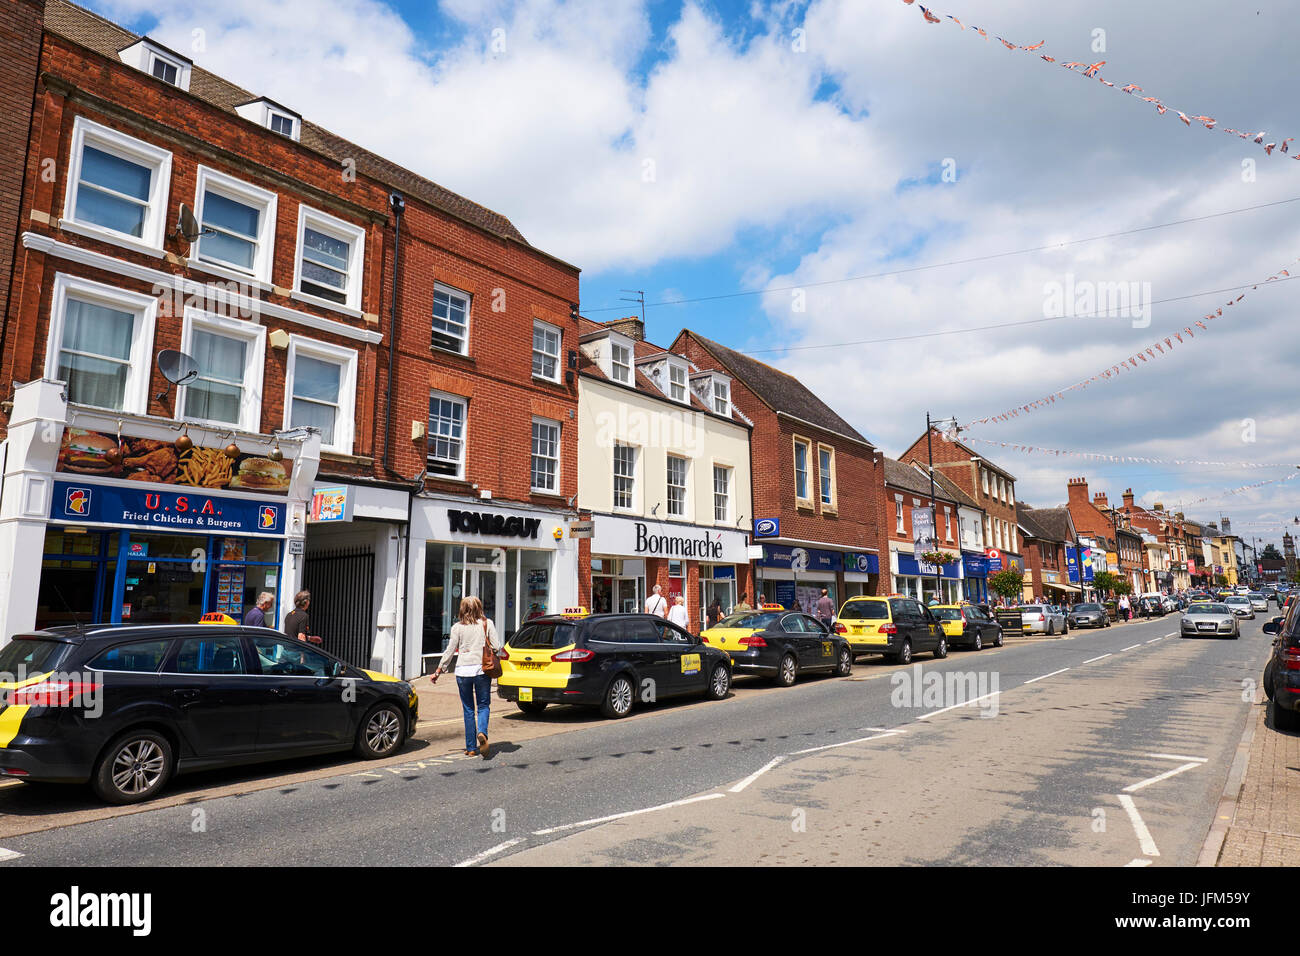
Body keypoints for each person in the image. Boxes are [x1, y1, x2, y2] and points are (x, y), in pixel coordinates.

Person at [431, 596, 502, 757]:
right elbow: (497, 646)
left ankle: (471, 748)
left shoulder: (457, 627)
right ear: (479, 608)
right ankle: (482, 732)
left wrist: (438, 671)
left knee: (468, 709)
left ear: (462, 609)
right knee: (483, 705)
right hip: (481, 670)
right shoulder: (487, 623)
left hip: (462, 671)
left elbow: (450, 650)